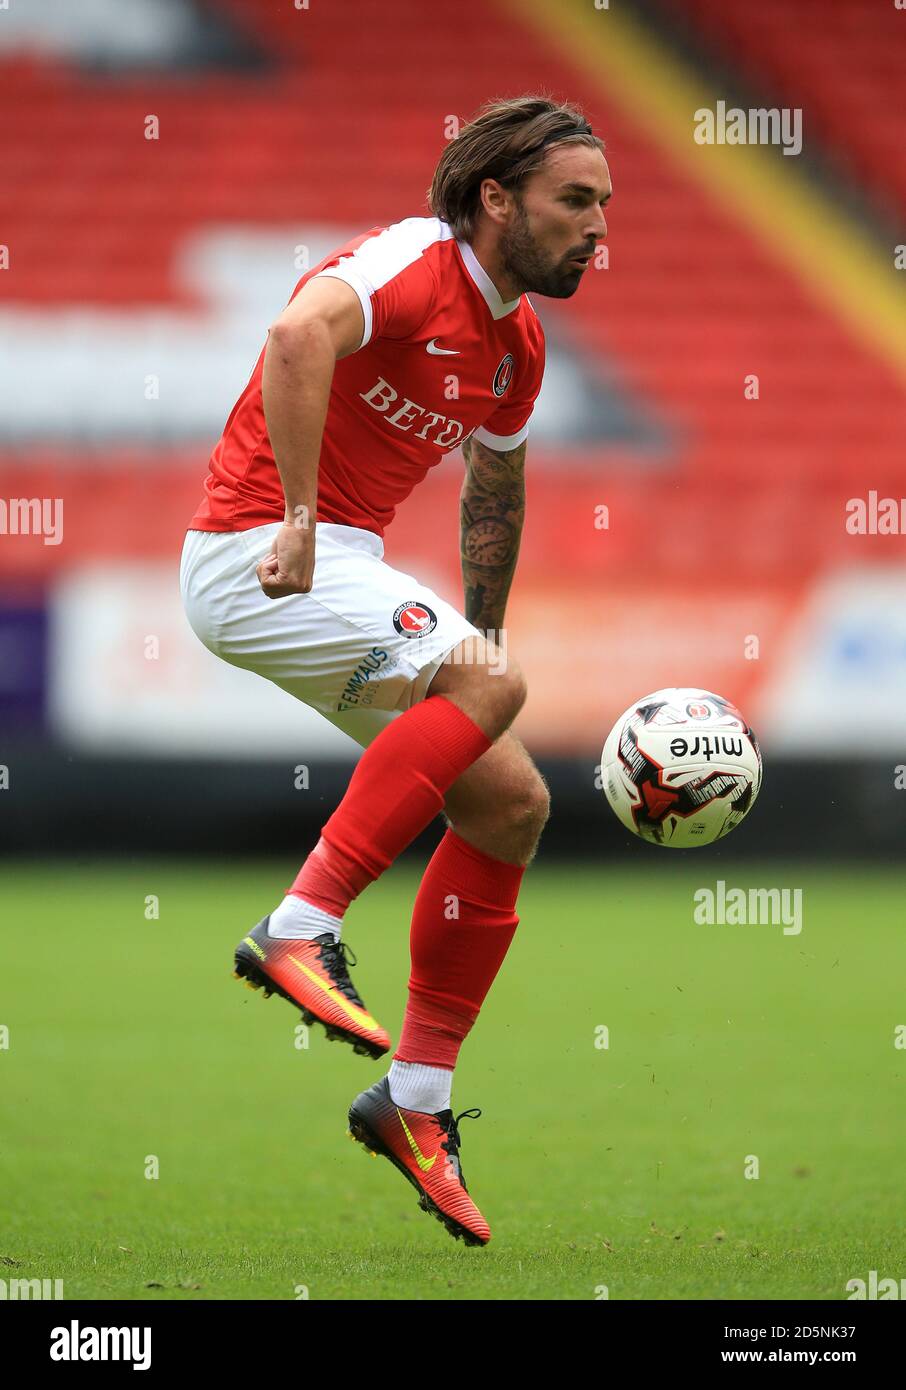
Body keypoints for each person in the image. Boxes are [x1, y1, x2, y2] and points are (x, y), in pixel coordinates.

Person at [180, 93, 611, 1245]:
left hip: (329, 564)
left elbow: (496, 488)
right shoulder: (416, 262)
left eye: (605, 207)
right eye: (575, 201)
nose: (597, 228)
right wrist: (306, 514)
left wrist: (482, 654)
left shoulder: (516, 345)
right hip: (259, 551)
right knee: (489, 689)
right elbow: (293, 336)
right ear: (494, 198)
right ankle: (298, 922)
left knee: (513, 800)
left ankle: (412, 1101)